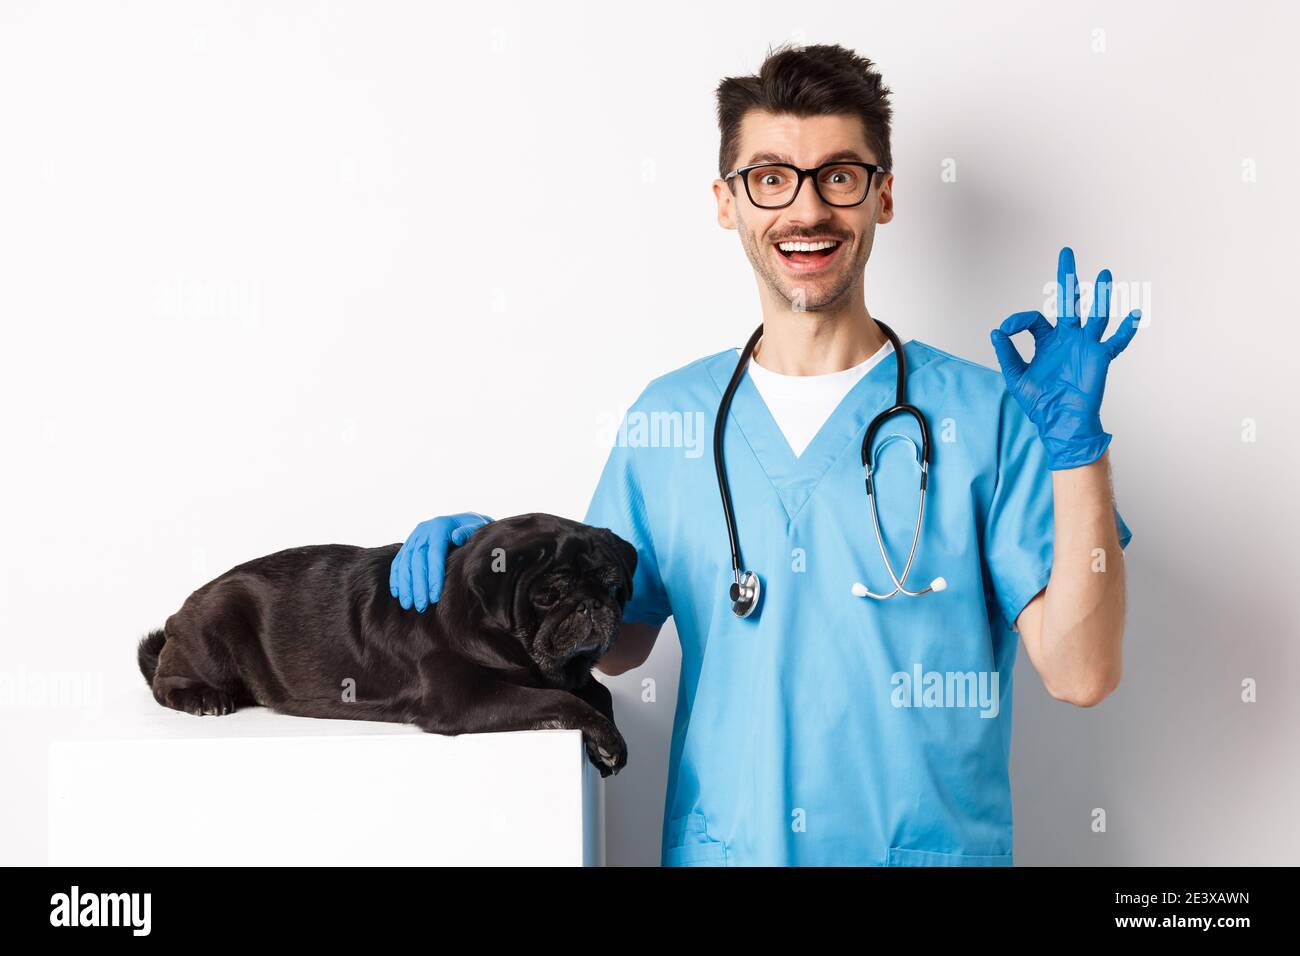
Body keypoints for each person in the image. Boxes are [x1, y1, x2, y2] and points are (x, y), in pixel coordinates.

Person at [389, 43, 1139, 866]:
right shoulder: (669, 421)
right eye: (771, 177)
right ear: (726, 201)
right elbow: (608, 642)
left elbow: (1081, 672)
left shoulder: (987, 415)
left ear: (882, 196)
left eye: (840, 176)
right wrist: (492, 563)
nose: (807, 210)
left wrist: (1077, 453)